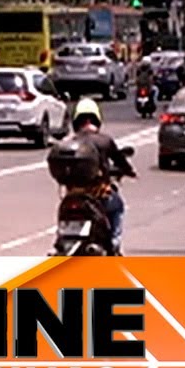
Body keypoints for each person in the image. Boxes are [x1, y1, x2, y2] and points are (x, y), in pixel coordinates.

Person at [68, 99, 136, 254]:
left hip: (73, 196)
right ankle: (114, 242)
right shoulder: (105, 140)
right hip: (98, 196)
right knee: (118, 206)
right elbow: (120, 160)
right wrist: (129, 171)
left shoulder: (71, 143)